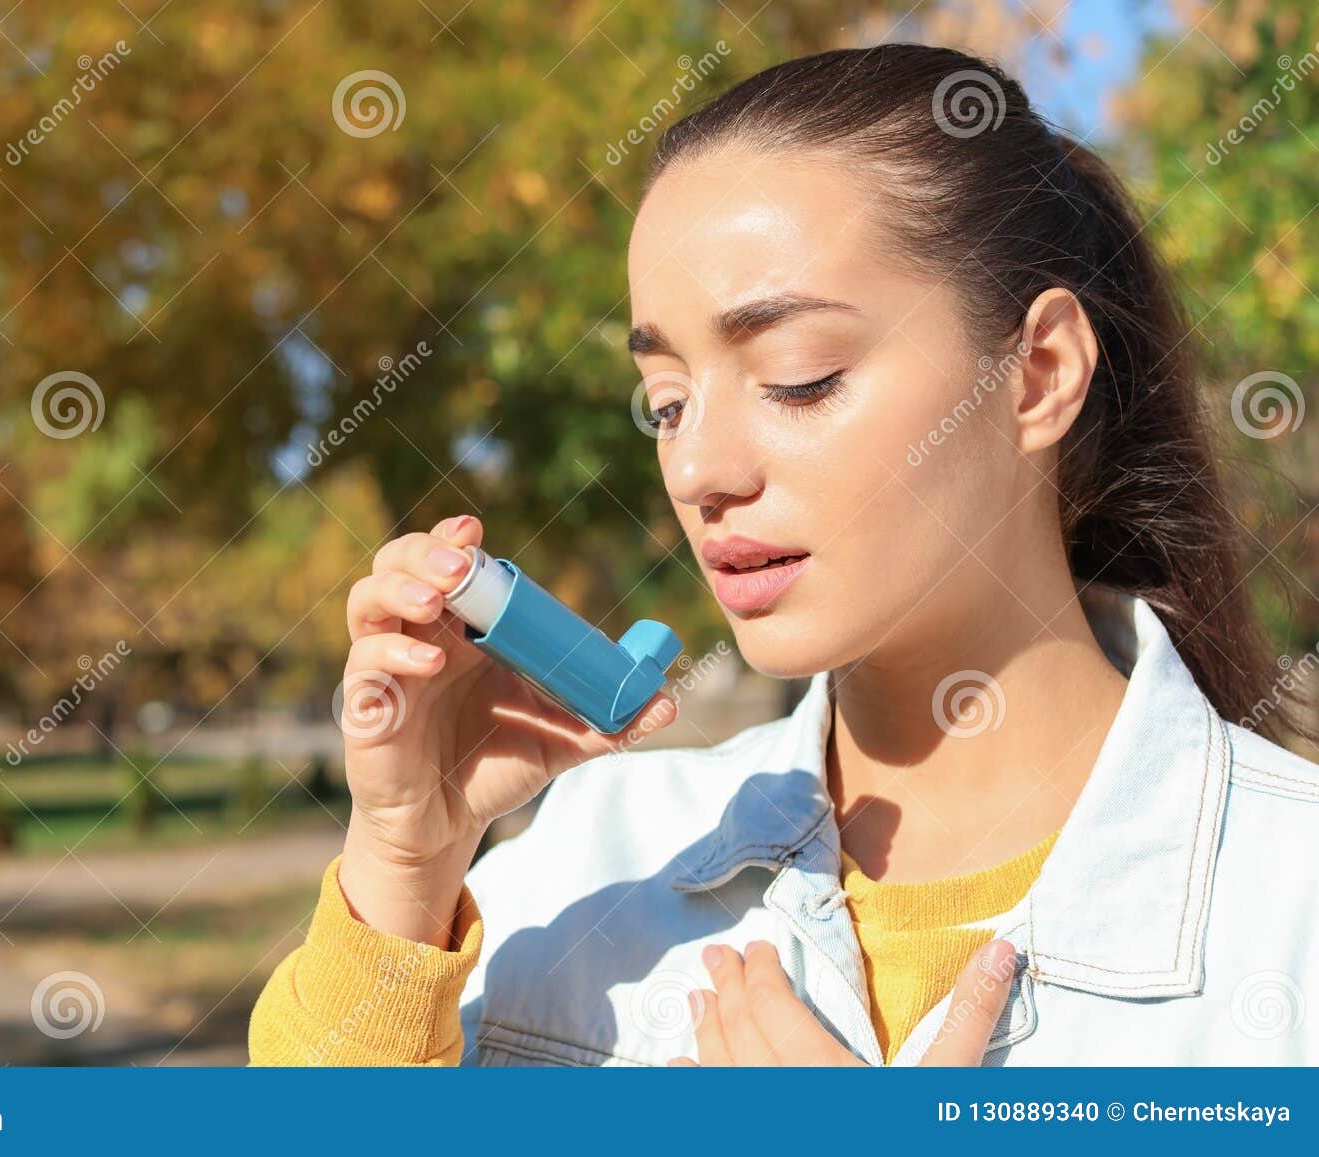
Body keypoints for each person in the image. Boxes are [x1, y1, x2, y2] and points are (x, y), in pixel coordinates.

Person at [248, 44, 1318, 1066]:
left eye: (798, 377)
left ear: (1036, 374)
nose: (697, 468)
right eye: (666, 403)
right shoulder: (594, 860)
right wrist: (402, 861)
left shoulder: (1288, 910)